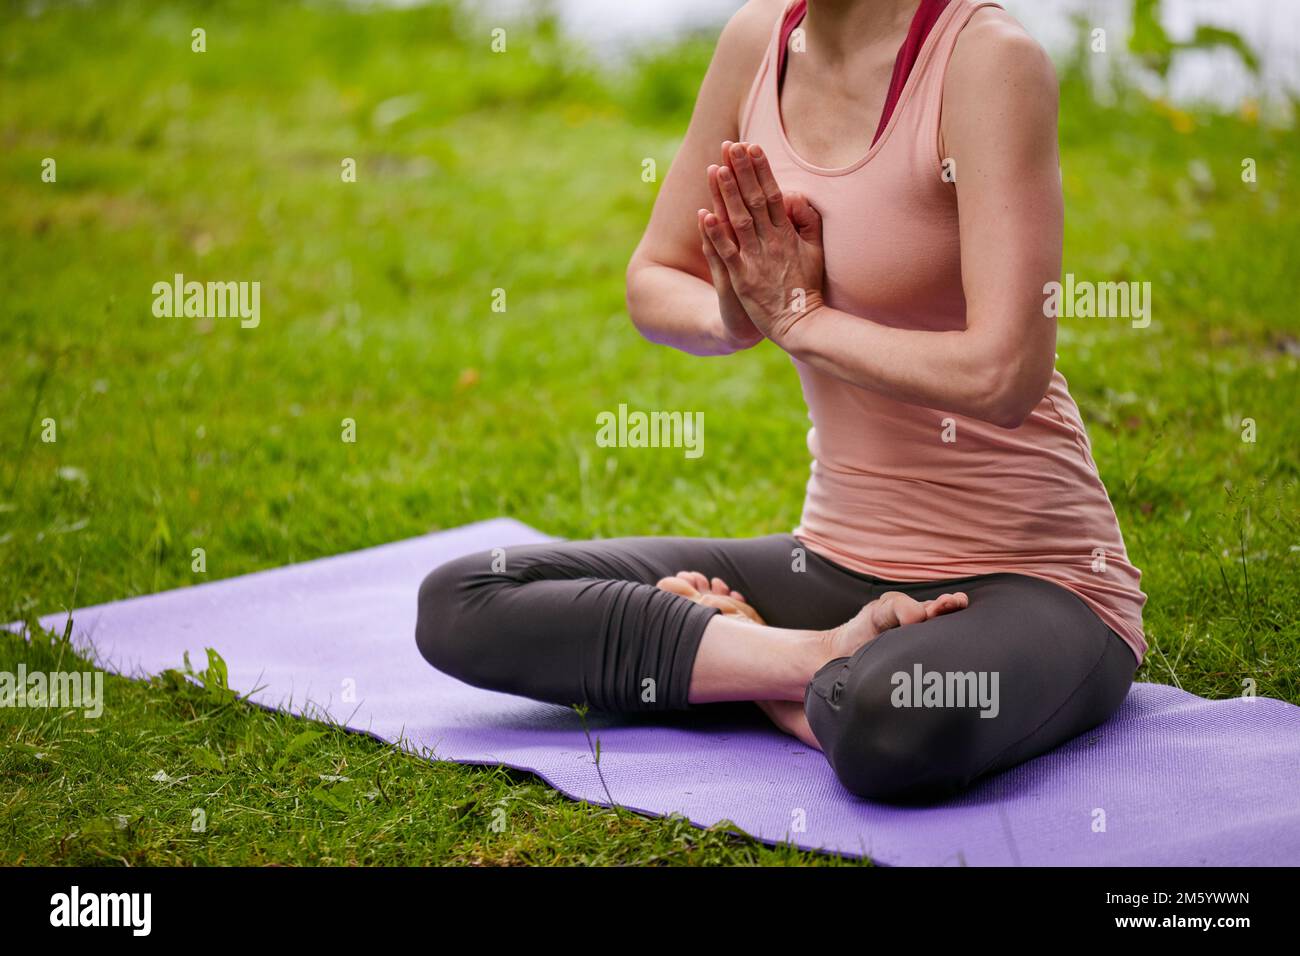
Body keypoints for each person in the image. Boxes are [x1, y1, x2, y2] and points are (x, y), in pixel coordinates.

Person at [416, 0, 1147, 802]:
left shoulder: (986, 63)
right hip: (829, 560)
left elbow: (1004, 373)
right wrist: (737, 313)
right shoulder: (755, 40)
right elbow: (655, 279)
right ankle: (807, 661)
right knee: (464, 600)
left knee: (892, 718)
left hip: (1033, 584)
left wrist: (798, 319)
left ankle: (754, 667)